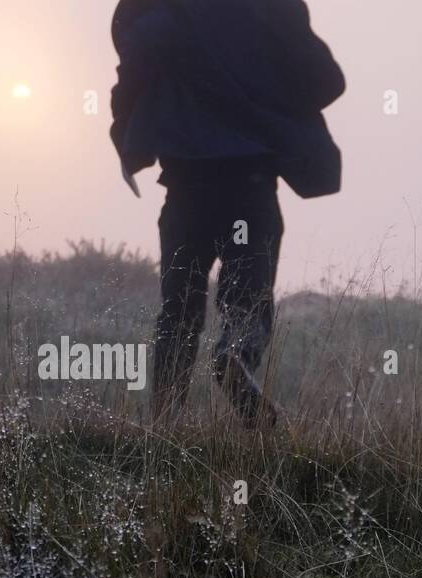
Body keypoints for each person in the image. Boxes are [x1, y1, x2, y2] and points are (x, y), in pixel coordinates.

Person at [109, 0, 345, 428]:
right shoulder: (271, 10)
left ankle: (165, 417)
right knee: (248, 296)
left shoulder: (163, 15)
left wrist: (133, 124)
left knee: (179, 308)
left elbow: (130, 60)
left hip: (185, 185)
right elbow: (327, 81)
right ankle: (234, 355)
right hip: (249, 184)